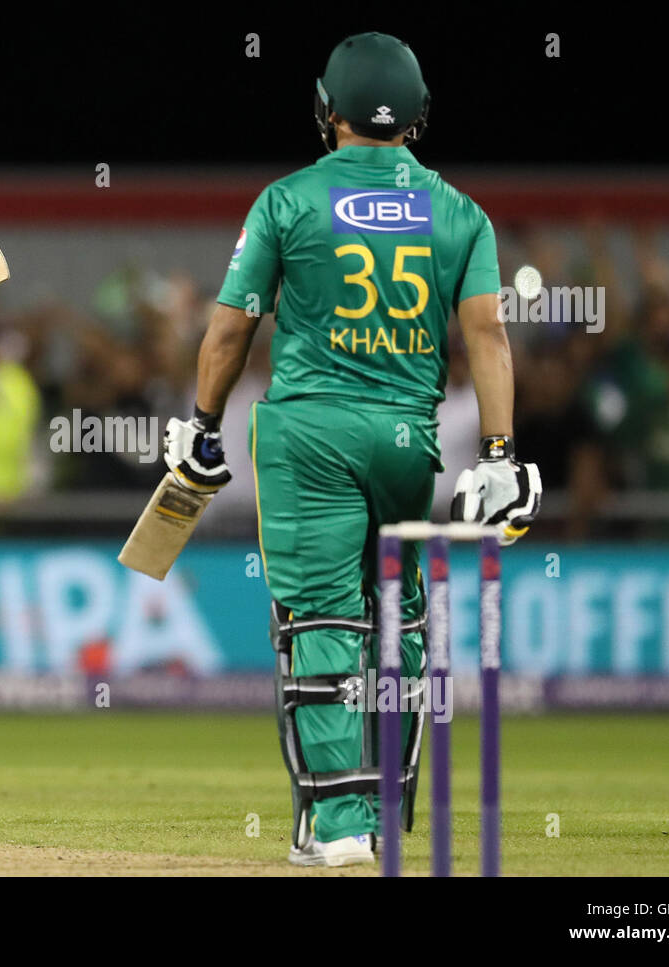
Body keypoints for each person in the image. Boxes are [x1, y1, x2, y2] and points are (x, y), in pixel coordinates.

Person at [162, 32, 541, 867]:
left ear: (326, 108)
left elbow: (230, 330)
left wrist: (201, 423)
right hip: (411, 438)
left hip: (308, 434)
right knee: (396, 616)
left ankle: (338, 823)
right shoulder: (460, 212)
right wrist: (502, 453)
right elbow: (488, 335)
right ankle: (384, 804)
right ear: (418, 113)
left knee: (322, 619)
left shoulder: (288, 200)